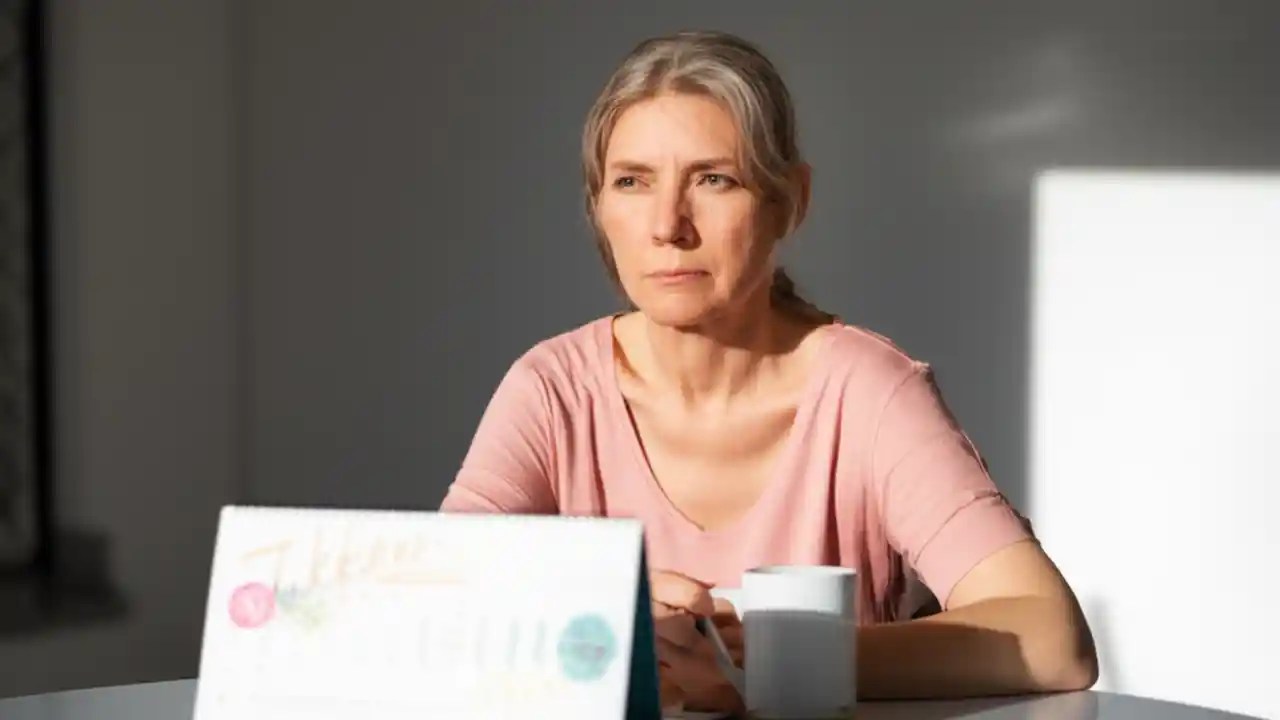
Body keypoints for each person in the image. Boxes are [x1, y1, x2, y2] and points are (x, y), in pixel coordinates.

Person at [440, 29, 1097, 714]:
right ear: (599, 208)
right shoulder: (553, 391)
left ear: (789, 200)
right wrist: (606, 613)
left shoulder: (867, 390)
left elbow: (1053, 639)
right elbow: (423, 612)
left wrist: (774, 660)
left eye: (713, 179)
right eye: (632, 182)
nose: (668, 224)